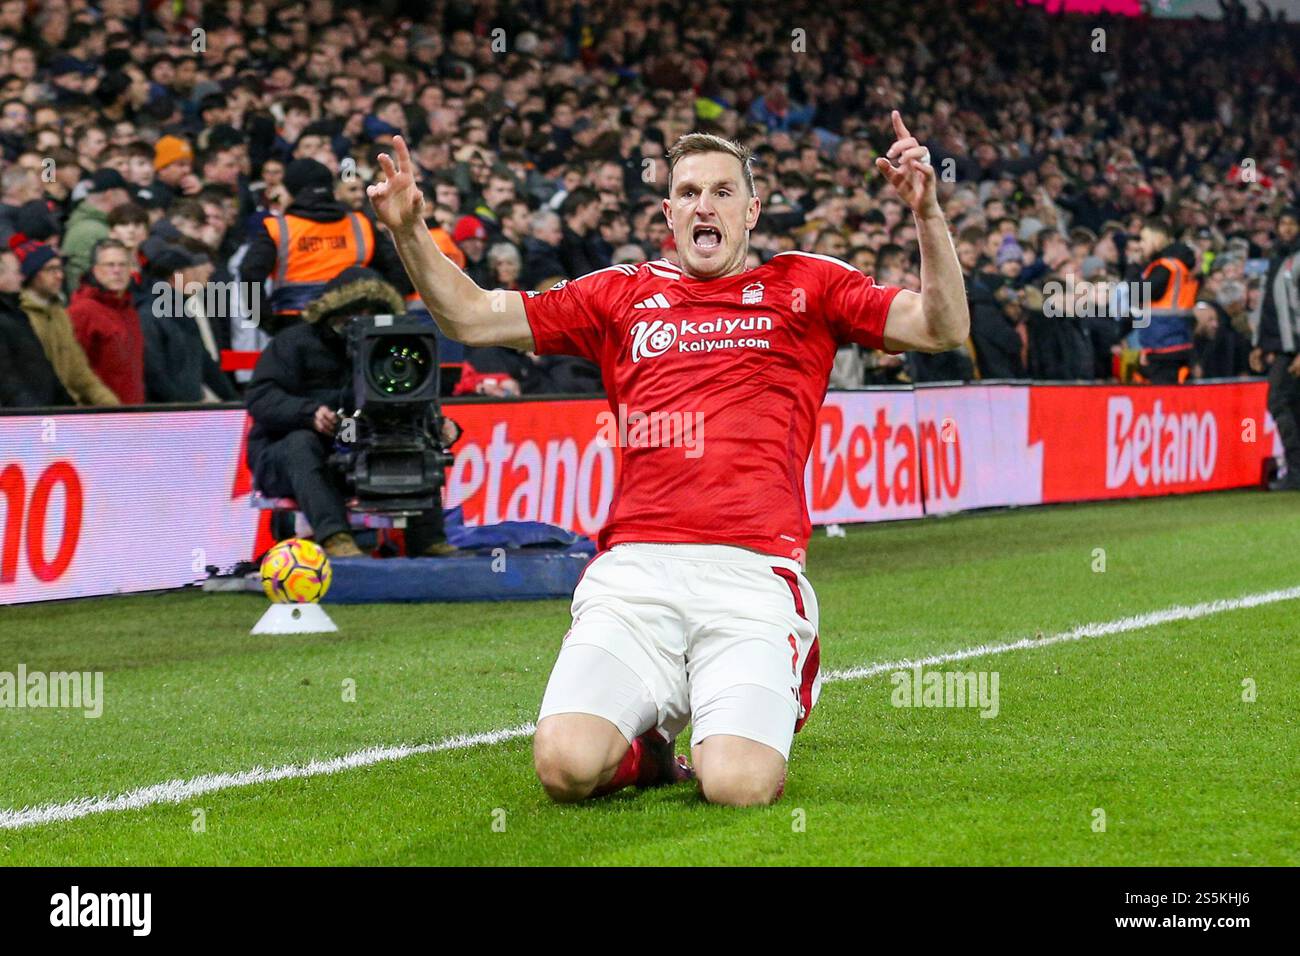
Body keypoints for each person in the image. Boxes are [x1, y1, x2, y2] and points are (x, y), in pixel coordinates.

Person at [367, 115, 967, 807]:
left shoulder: (808, 285)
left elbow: (942, 326)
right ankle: (650, 753)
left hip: (752, 575)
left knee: (738, 787)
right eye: (688, 193)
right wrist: (409, 232)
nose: (703, 206)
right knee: (564, 768)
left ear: (752, 210)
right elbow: (471, 318)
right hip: (635, 573)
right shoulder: (621, 293)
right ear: (668, 212)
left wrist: (927, 214)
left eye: (720, 192)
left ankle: (751, 699)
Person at [245, 266, 454, 558]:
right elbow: (260, 397)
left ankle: (428, 540)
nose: (360, 319)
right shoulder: (294, 342)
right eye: (354, 311)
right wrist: (310, 413)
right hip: (285, 449)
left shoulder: (389, 348)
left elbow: (416, 397)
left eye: (372, 311)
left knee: (416, 437)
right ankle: (335, 537)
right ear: (333, 310)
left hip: (350, 438)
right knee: (301, 444)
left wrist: (440, 425)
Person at [11, 235, 119, 406]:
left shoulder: (59, 313)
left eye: (60, 269)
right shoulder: (19, 316)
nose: (60, 275)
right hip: (40, 414)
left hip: (67, 411)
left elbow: (79, 371)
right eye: (50, 269)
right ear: (31, 274)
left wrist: (112, 406)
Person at [1250, 207, 1300, 490]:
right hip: (1282, 346)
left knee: (1279, 401)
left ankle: (1295, 471)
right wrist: (1260, 343)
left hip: (1294, 349)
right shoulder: (1277, 259)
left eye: (1293, 223)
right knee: (1291, 405)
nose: (1288, 229)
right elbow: (1269, 306)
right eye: (1283, 223)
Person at [68, 238, 144, 404]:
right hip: (100, 417)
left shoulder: (129, 310)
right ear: (96, 270)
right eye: (110, 265)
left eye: (123, 265)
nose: (117, 271)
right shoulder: (82, 312)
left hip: (133, 414)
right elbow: (74, 371)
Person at [1134, 217, 1199, 384]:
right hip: (1178, 340)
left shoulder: (1164, 268)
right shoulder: (1181, 266)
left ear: (1157, 238)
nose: (1140, 245)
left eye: (1143, 239)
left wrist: (1133, 268)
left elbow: (1138, 295)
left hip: (1163, 345)